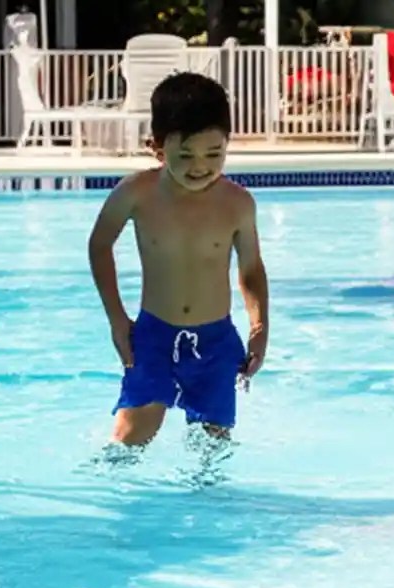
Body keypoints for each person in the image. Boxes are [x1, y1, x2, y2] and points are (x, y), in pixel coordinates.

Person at [87, 72, 269, 447]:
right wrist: (117, 320)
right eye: (185, 155)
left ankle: (209, 502)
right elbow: (99, 245)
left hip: (216, 340)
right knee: (131, 435)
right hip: (154, 335)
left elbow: (250, 268)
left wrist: (259, 327)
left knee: (215, 442)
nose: (200, 166)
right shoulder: (136, 194)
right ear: (156, 147)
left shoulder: (237, 204)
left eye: (214, 154)